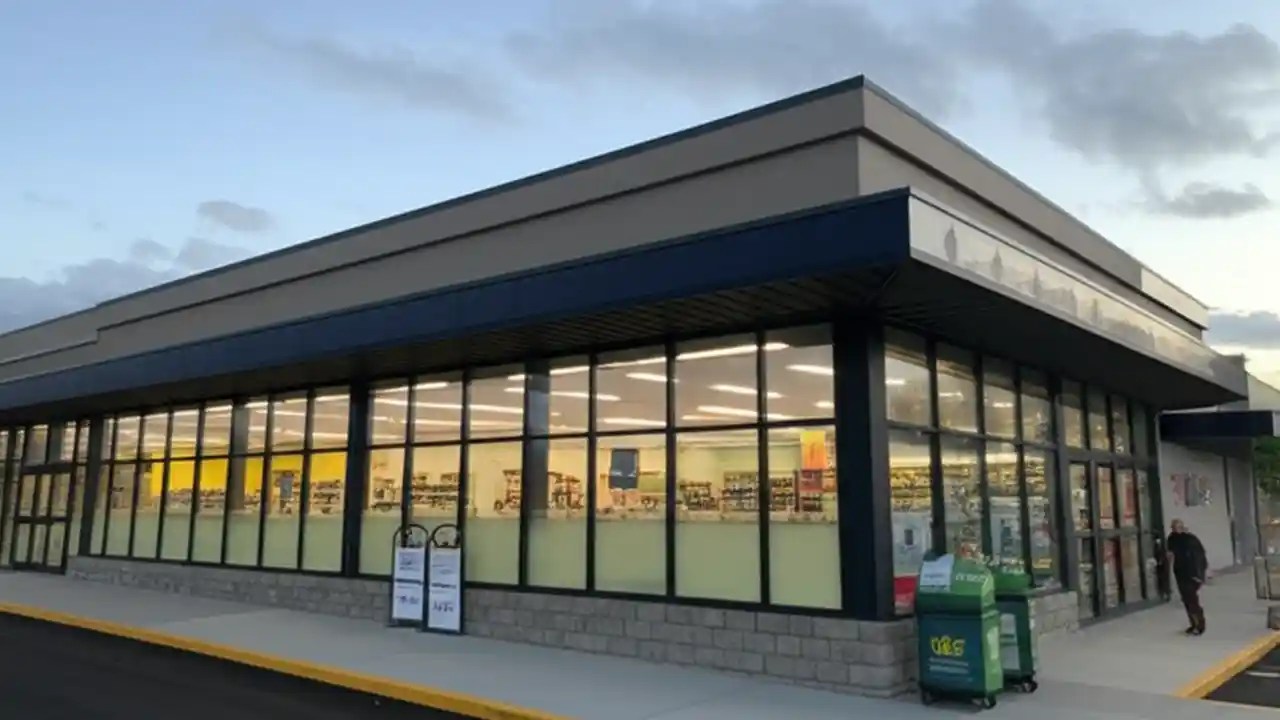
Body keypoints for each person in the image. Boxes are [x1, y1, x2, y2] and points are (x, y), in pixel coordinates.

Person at [1166, 519, 1209, 635]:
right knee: (1186, 599)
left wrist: (1200, 574)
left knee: (1192, 599)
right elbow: (1170, 553)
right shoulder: (1172, 539)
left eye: (1179, 527)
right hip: (1180, 572)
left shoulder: (1190, 539)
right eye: (1175, 527)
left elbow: (1200, 557)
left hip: (1192, 573)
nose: (1177, 529)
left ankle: (1200, 624)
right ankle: (1193, 623)